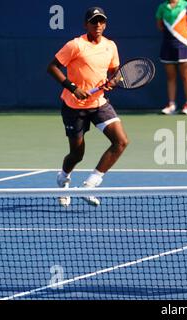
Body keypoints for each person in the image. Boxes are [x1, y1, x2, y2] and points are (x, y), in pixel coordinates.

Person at [47, 7, 129, 207]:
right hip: (73, 106)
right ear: (86, 25)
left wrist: (113, 81)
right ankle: (63, 178)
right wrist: (73, 88)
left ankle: (89, 185)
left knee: (121, 141)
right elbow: (52, 67)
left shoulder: (110, 46)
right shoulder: (75, 45)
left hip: (99, 103)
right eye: (94, 22)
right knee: (77, 154)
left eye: (101, 22)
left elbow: (116, 73)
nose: (98, 25)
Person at [156, 0, 187, 115]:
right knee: (171, 77)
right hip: (168, 45)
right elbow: (160, 25)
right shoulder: (162, 7)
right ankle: (171, 105)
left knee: (186, 76)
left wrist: (182, 36)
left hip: (183, 45)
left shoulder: (186, 5)